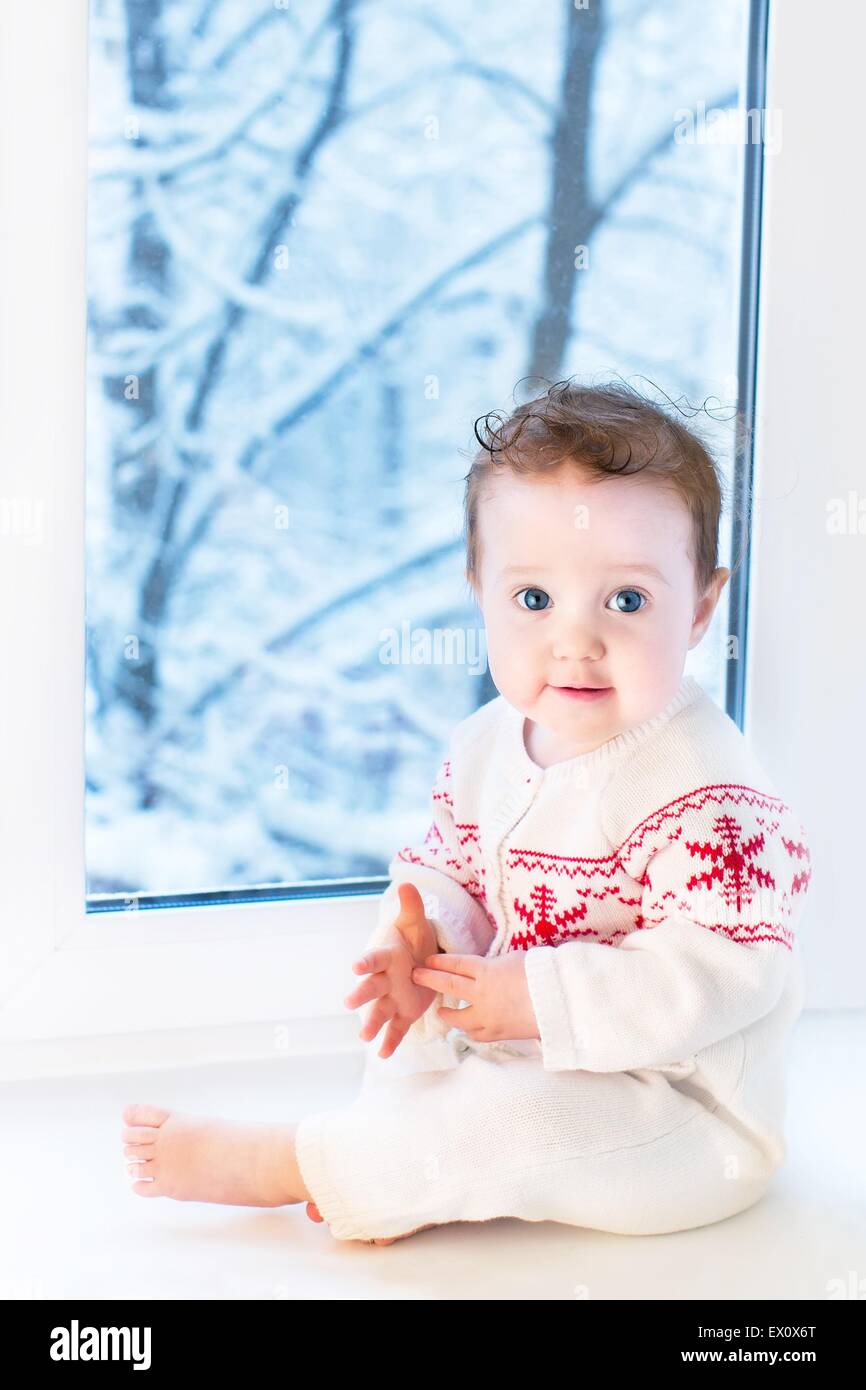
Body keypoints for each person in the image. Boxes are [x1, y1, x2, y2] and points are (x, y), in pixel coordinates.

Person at [120, 379, 812, 1246]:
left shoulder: (707, 791)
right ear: (479, 592)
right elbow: (451, 865)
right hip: (524, 1048)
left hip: (679, 1114)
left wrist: (536, 1000)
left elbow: (727, 970)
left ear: (701, 609)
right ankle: (388, 1164)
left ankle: (293, 1165)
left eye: (627, 601)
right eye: (533, 600)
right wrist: (431, 933)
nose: (576, 639)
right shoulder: (487, 743)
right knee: (411, 1046)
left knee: (519, 1124)